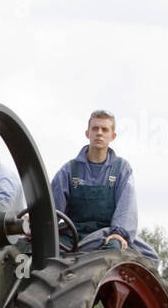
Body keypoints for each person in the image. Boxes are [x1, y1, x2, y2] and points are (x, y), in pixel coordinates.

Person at [51, 110, 157, 260]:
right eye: (95, 129)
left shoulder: (121, 169)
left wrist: (118, 234)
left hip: (108, 233)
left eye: (105, 129)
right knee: (43, 251)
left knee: (150, 257)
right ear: (87, 133)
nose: (99, 133)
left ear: (112, 136)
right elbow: (51, 208)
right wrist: (38, 226)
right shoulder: (69, 169)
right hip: (74, 234)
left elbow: (126, 207)